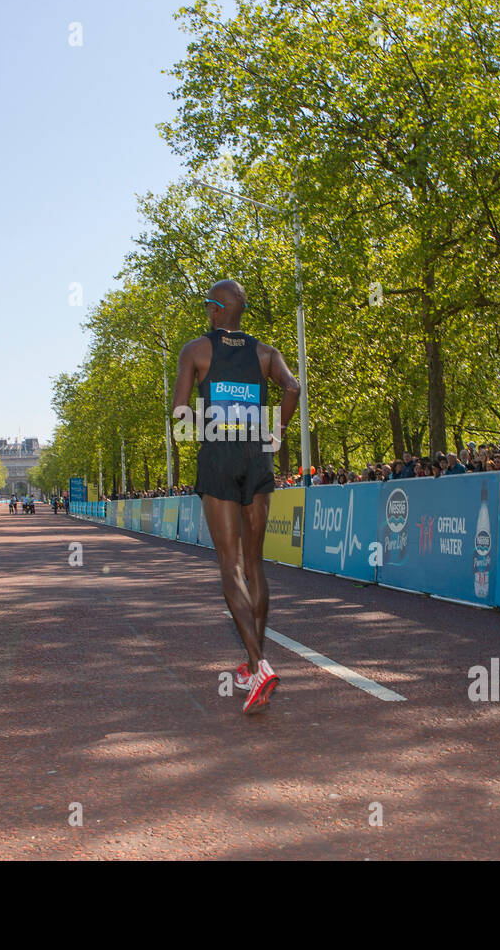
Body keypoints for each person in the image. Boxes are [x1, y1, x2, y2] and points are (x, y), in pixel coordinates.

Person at [172, 278, 300, 715]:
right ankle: (252, 663)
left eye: (209, 305)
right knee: (255, 565)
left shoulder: (195, 351)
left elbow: (179, 411)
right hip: (257, 454)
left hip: (219, 452)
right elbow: (294, 388)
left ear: (215, 310)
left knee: (230, 566)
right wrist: (275, 433)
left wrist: (197, 426)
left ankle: (259, 664)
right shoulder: (266, 353)